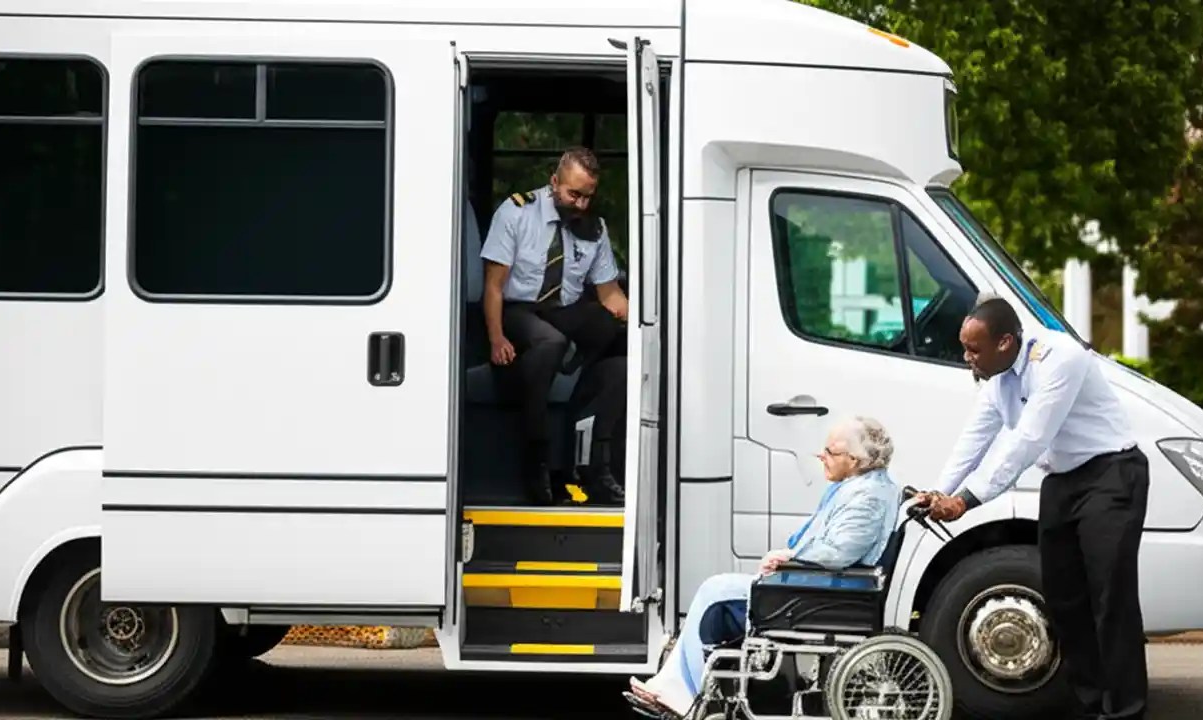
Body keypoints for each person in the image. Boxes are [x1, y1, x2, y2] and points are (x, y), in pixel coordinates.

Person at [918, 296, 1148, 720]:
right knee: (1063, 598)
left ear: (1006, 342)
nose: (967, 358)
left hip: (1111, 475)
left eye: (974, 350)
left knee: (1109, 597)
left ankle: (1126, 710)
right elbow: (975, 438)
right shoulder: (998, 378)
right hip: (1062, 482)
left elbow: (1028, 439)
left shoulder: (1061, 358)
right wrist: (937, 491)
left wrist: (966, 500)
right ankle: (1091, 704)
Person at [625, 416, 901, 718]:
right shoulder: (863, 487)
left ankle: (682, 690)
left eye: (830, 451)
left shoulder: (868, 496)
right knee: (715, 589)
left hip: (826, 592)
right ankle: (672, 682)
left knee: (714, 591)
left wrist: (790, 557)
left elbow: (840, 551)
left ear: (855, 459)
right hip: (823, 585)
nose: (821, 456)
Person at [480, 147, 629, 505]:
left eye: (587, 197)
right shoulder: (516, 212)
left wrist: (648, 330)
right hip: (521, 309)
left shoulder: (594, 229)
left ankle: (594, 467)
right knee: (551, 343)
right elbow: (494, 286)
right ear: (554, 183)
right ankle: (536, 465)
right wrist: (496, 338)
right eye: (572, 194)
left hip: (564, 308)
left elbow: (609, 294)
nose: (579, 204)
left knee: (620, 347)